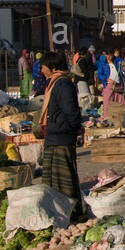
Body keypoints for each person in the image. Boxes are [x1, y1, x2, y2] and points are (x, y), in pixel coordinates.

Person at [37, 52, 85, 220]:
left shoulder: (62, 84)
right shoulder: (54, 84)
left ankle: (70, 213)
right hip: (55, 135)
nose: (41, 70)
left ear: (54, 67)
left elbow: (71, 112)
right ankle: (57, 212)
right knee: (53, 179)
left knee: (64, 181)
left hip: (61, 136)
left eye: (43, 67)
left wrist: (71, 128)